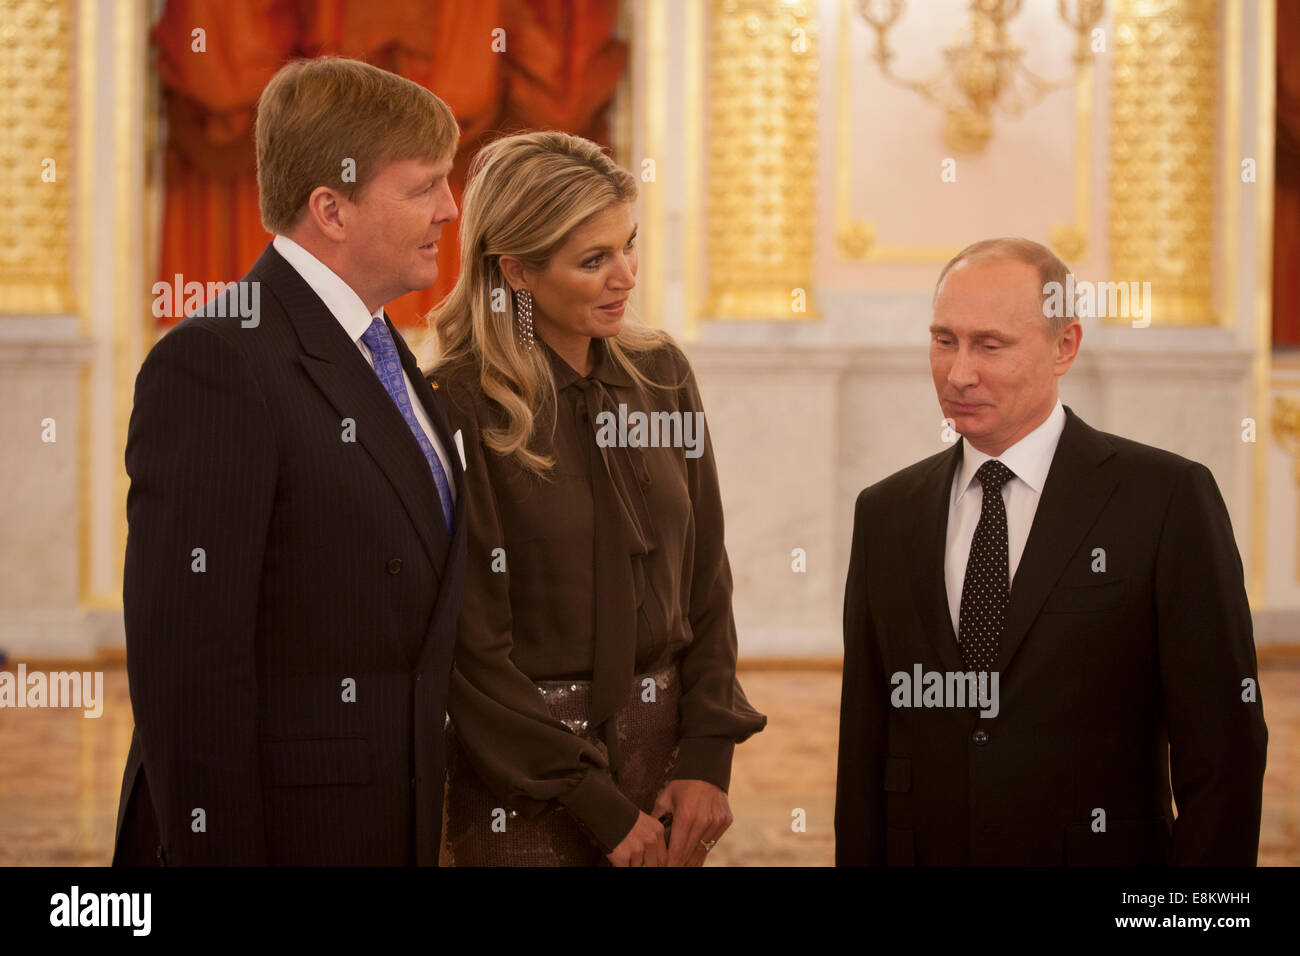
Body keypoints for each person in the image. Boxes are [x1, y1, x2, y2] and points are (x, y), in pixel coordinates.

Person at [112, 57, 465, 865]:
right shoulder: (218, 364)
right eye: (424, 187)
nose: (451, 210)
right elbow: (188, 668)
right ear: (331, 209)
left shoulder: (388, 352)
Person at [835, 237, 1268, 866]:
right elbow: (866, 742)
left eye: (990, 345)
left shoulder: (1165, 498)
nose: (959, 373)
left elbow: (1223, 752)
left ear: (1065, 345)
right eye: (944, 340)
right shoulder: (885, 512)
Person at [426, 131, 765, 866]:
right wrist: (594, 802)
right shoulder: (458, 403)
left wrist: (707, 756)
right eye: (594, 260)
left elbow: (706, 578)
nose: (626, 276)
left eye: (629, 245)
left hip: (668, 767)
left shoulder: (663, 373)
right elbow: (471, 651)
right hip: (524, 778)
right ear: (515, 270)